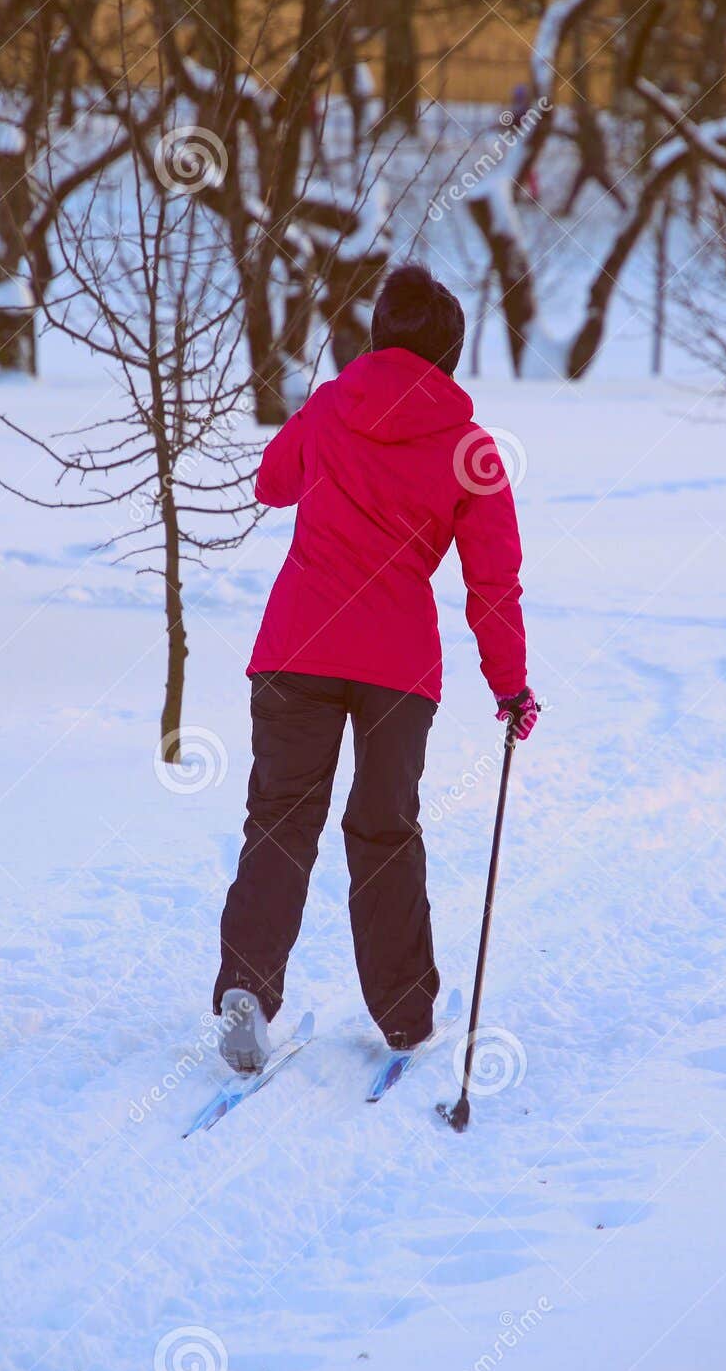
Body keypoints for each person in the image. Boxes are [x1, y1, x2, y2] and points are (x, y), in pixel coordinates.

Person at [213, 263, 538, 1073]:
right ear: (451, 353)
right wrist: (510, 685)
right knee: (384, 828)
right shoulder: (471, 450)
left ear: (376, 336)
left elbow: (271, 482)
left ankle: (247, 990)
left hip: (296, 645)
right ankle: (402, 1016)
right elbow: (491, 582)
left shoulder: (329, 406)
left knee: (281, 818)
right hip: (396, 662)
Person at [562, 94, 627, 215]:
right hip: (591, 162)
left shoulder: (588, 127)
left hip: (593, 163)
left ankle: (624, 206)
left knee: (604, 186)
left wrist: (562, 133)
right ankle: (624, 206)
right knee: (580, 187)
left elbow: (581, 139)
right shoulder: (588, 125)